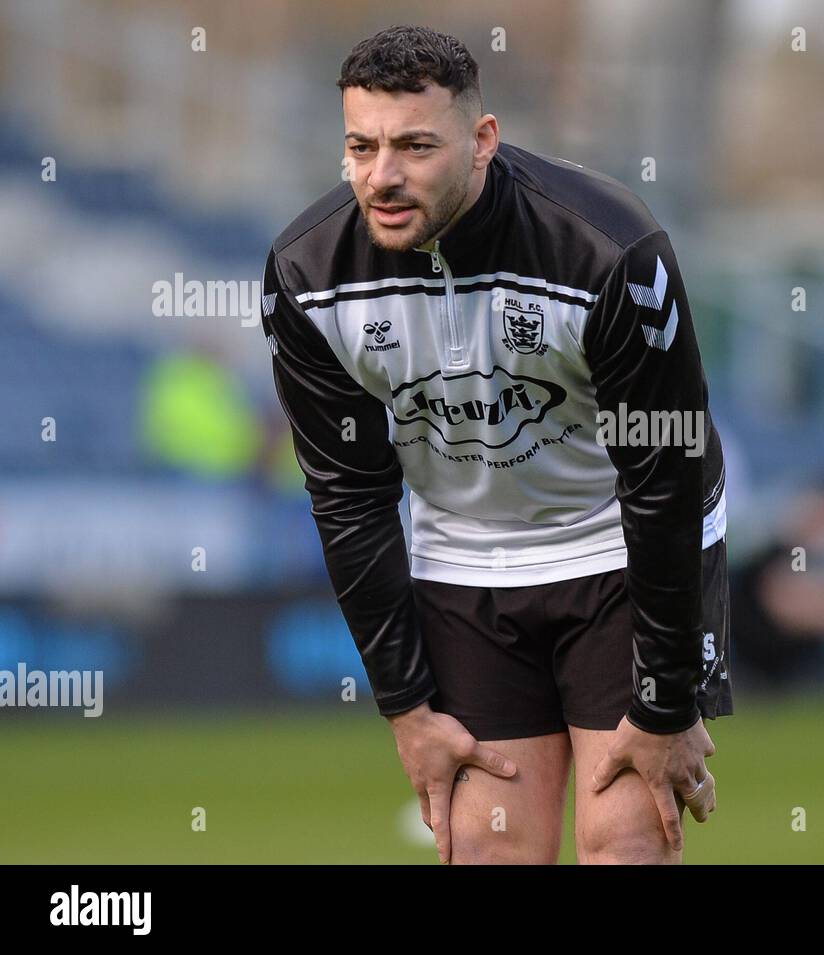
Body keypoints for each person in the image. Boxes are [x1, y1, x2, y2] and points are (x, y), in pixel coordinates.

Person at [261, 25, 730, 864]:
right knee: (487, 847)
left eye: (414, 146)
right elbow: (350, 496)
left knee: (626, 837)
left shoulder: (610, 249)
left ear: (482, 141)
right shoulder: (306, 275)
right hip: (464, 558)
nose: (383, 176)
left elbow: (664, 477)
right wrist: (406, 708)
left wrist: (664, 702)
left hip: (619, 546)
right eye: (360, 147)